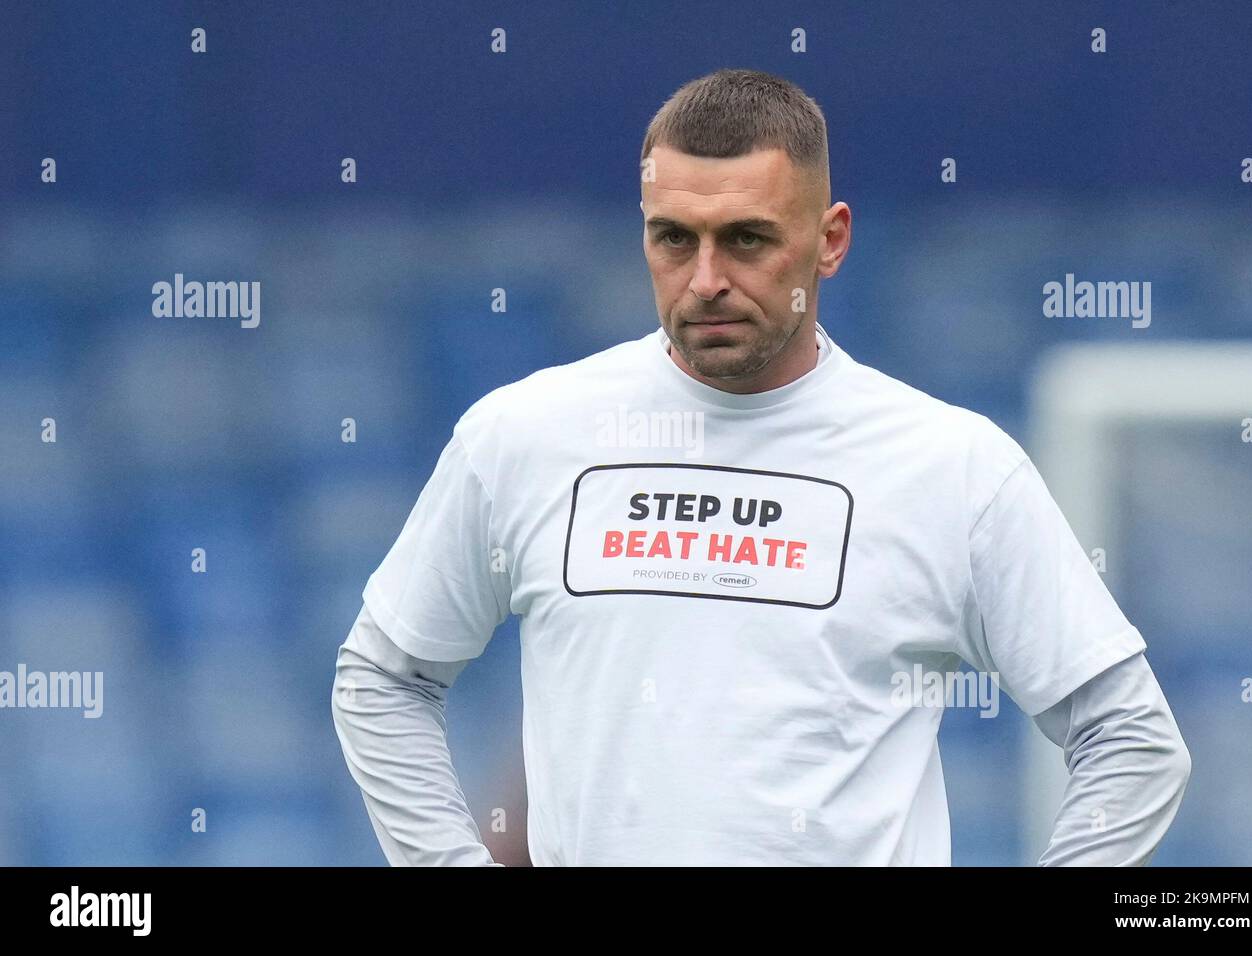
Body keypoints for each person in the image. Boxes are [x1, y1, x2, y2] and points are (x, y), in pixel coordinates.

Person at [332, 68, 1191, 866]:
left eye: (746, 239)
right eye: (673, 239)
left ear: (831, 240)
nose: (705, 279)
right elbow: (385, 678)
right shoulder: (524, 435)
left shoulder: (951, 466)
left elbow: (1129, 740)